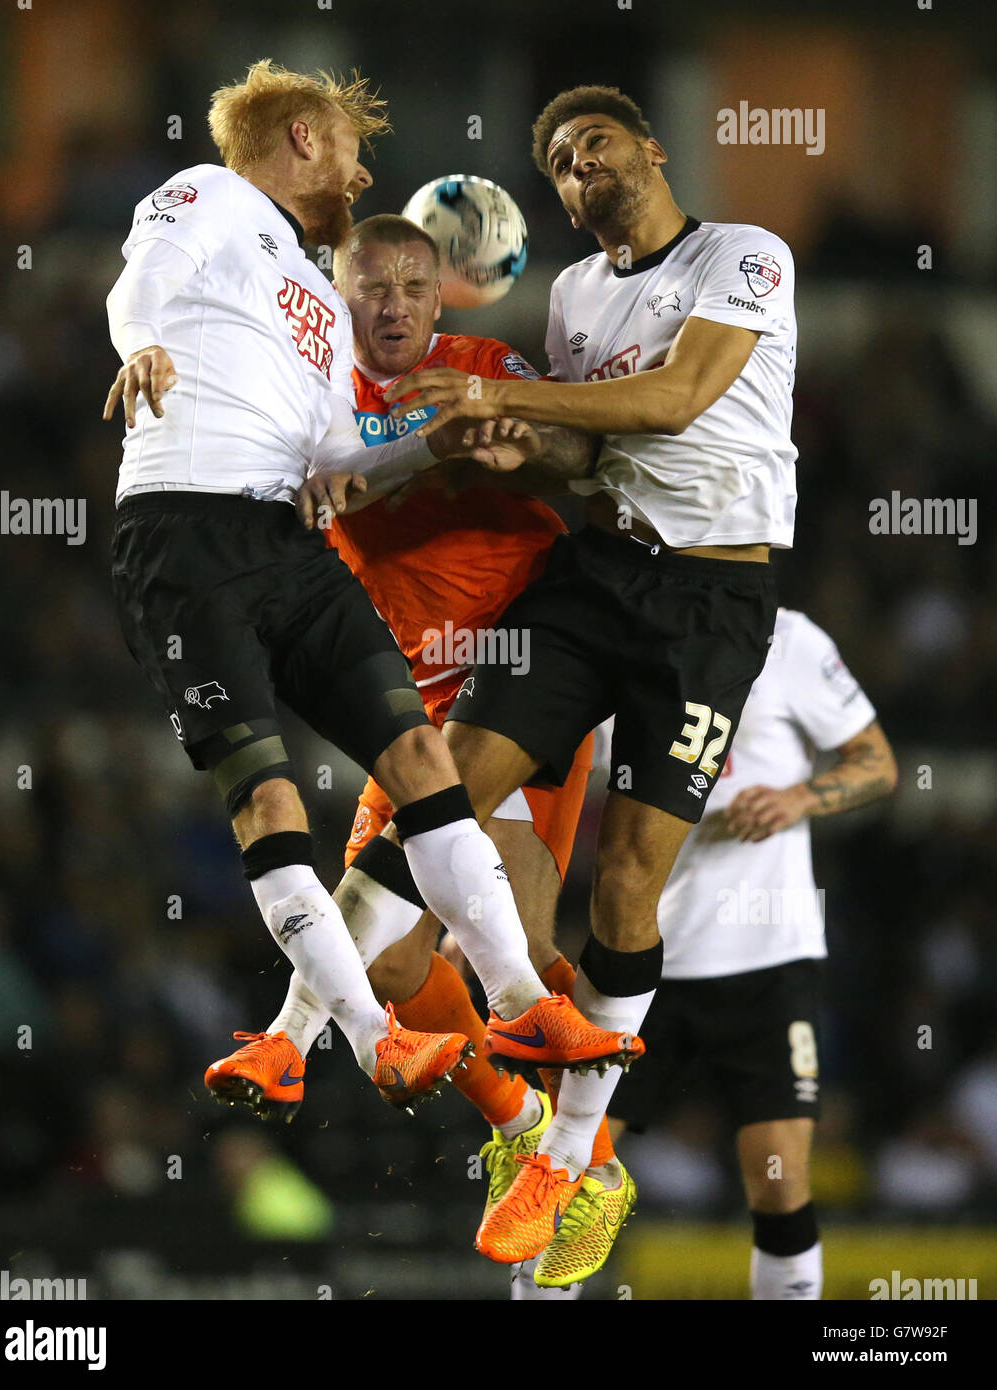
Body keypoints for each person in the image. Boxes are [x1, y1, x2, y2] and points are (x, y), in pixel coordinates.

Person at [102, 62, 631, 1125]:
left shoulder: (307, 290)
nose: (363, 167)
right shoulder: (209, 197)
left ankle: (522, 1004)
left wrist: (434, 441)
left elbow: (340, 450)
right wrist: (140, 343)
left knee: (422, 761)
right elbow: (137, 282)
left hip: (290, 544)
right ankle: (357, 1040)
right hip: (185, 533)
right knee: (270, 797)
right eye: (350, 144)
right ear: (301, 136)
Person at [364, 81, 798, 1262]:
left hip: (714, 599)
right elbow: (588, 447)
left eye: (591, 143)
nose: (574, 167)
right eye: (554, 159)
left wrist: (499, 392)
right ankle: (484, 1051)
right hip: (598, 578)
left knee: (625, 893)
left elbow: (675, 396)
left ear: (650, 150)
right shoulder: (570, 293)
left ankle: (568, 1162)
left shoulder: (741, 254)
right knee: (437, 785)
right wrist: (516, 448)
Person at [230, 212, 621, 1215]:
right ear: (337, 293)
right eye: (372, 288)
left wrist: (517, 444)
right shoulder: (309, 395)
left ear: (441, 295)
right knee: (402, 960)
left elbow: (584, 458)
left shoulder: (486, 362)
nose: (393, 305)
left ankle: (589, 1161)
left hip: (520, 681)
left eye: (412, 287)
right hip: (405, 703)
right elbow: (295, 500)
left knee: (523, 961)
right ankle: (518, 1123)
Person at [514, 608, 898, 1295]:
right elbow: (543, 786)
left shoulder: (790, 642)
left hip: (767, 961)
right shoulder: (616, 644)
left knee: (778, 1178)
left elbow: (877, 763)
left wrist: (801, 795)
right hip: (633, 967)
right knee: (569, 1163)